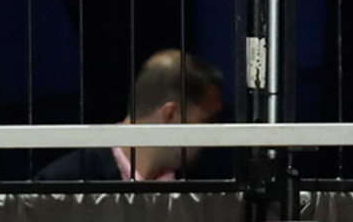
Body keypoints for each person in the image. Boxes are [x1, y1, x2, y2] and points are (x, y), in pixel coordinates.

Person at [35, 49, 224, 181]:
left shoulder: (201, 185)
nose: (212, 138)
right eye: (207, 121)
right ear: (170, 115)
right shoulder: (65, 183)